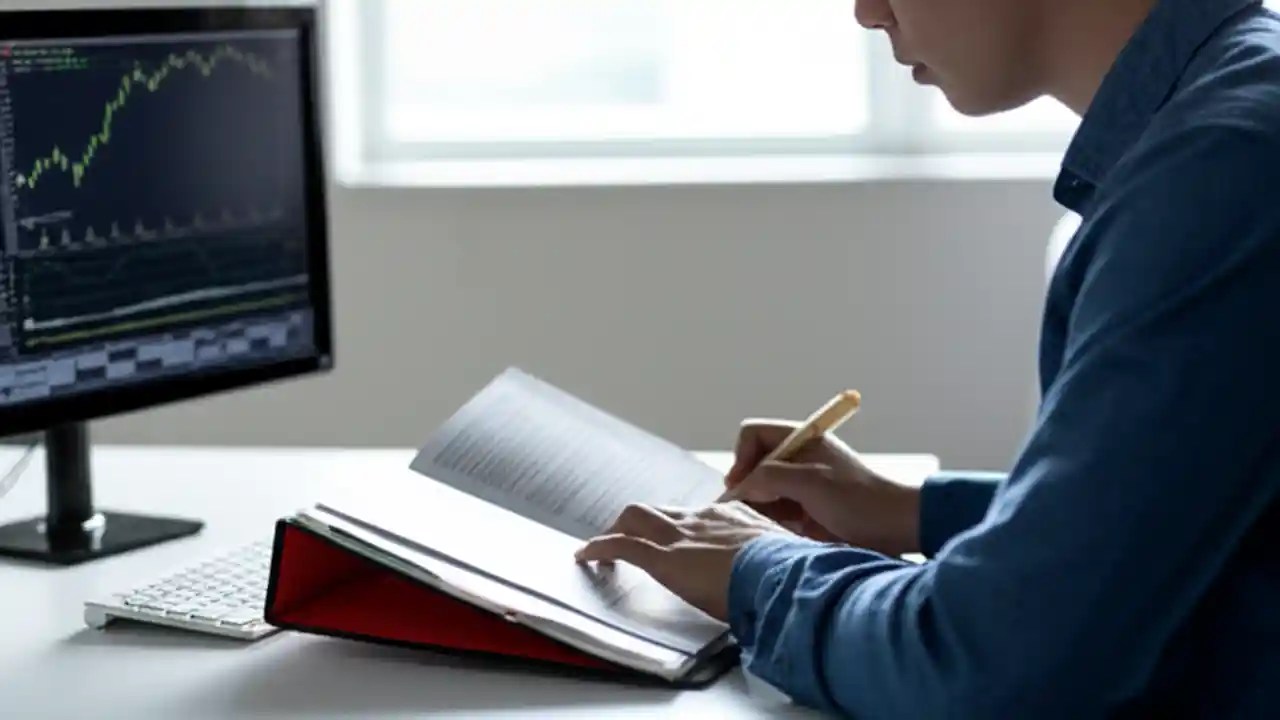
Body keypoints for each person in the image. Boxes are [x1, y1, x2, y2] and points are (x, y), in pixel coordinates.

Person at [574, 0, 1280, 717]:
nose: (867, 12)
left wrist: (758, 572)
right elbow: (1213, 529)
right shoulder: (1233, 112)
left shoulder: (1219, 172)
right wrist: (914, 512)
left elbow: (997, 661)